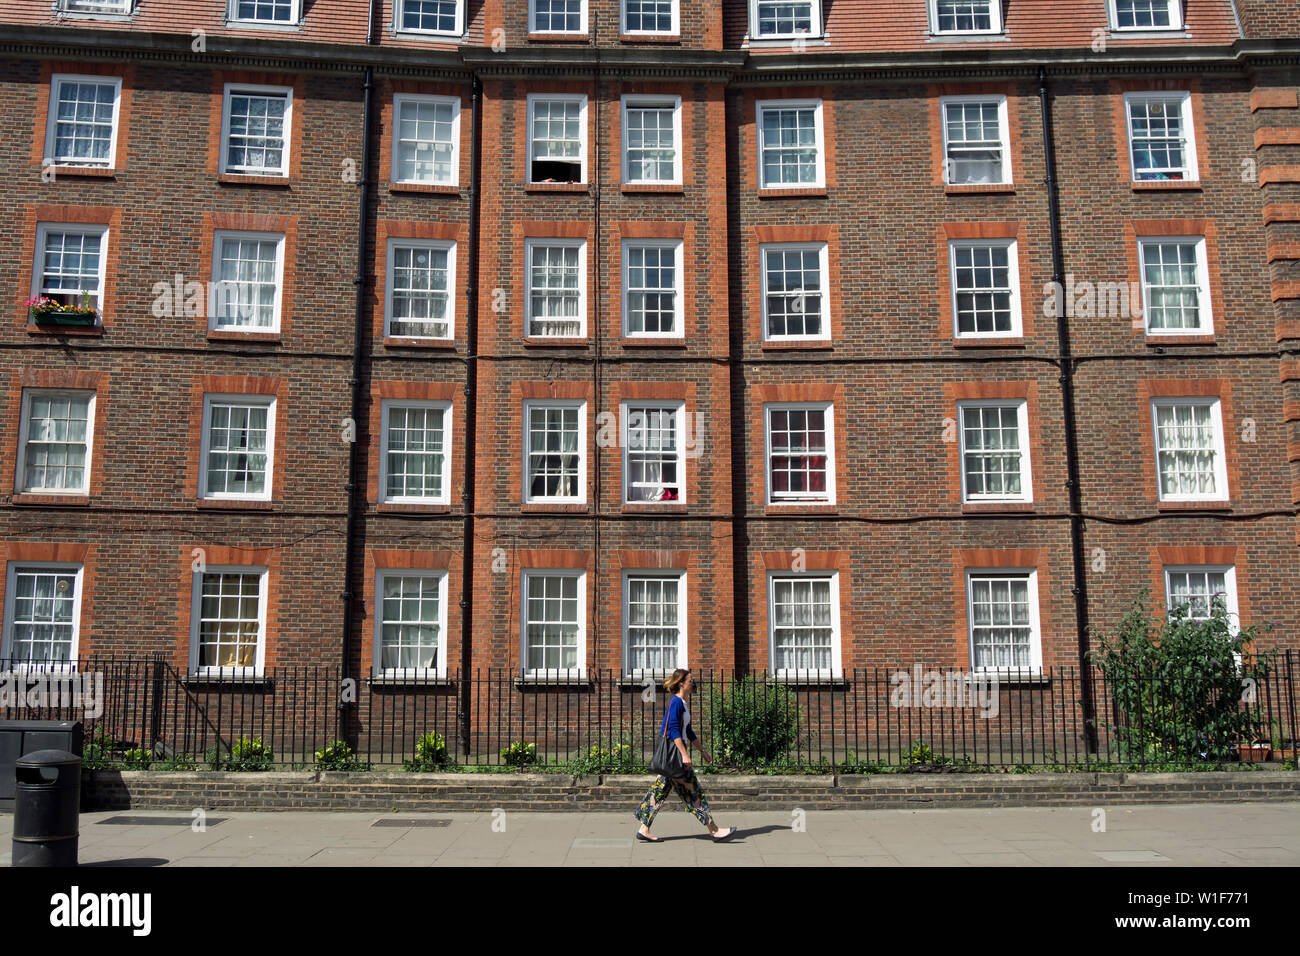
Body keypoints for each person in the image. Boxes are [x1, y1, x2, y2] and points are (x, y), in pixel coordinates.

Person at [634, 668, 735, 843]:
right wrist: (684, 754)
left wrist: (702, 751)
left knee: (659, 791)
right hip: (676, 760)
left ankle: (644, 829)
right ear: (681, 683)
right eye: (690, 680)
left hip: (673, 761)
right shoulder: (676, 703)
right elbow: (673, 731)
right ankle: (715, 830)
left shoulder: (682, 703)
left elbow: (687, 730)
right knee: (694, 792)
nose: (693, 683)